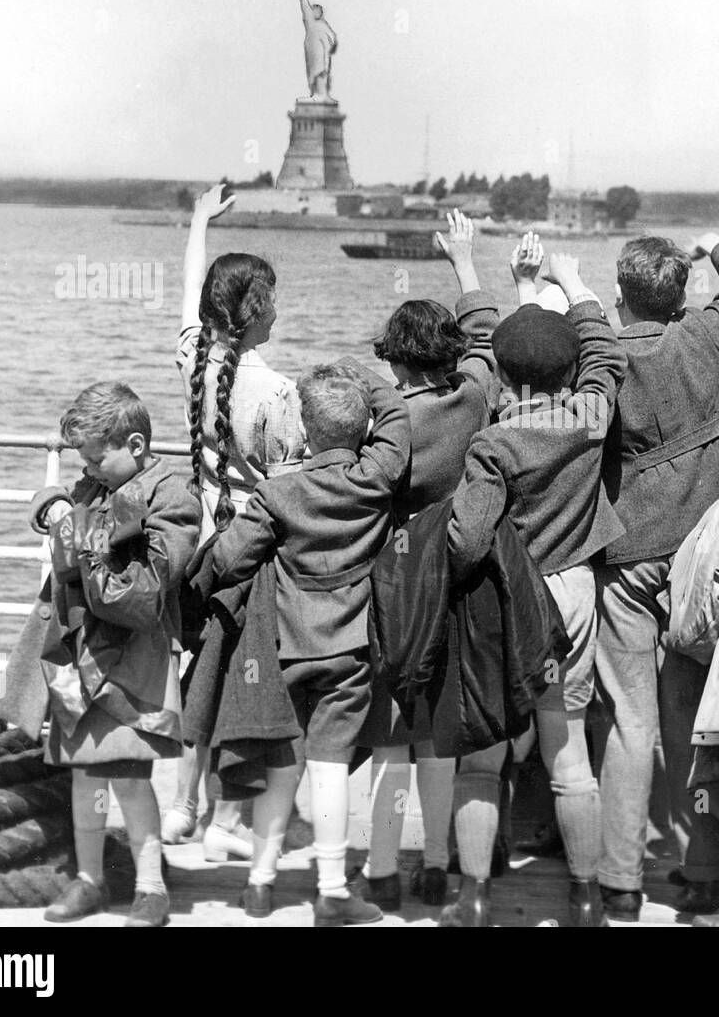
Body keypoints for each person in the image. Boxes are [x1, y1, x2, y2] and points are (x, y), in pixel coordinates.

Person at [443, 251, 627, 927]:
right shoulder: (591, 417)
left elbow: (465, 542)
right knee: (568, 753)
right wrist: (572, 284)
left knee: (482, 757)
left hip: (505, 602)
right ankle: (585, 900)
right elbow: (607, 355)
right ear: (567, 371)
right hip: (574, 595)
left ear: (505, 376)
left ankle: (473, 900)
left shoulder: (495, 444)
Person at [595, 231, 719, 920]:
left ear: (619, 296)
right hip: (708, 551)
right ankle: (705, 873)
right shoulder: (702, 336)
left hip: (630, 549)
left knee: (629, 720)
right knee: (704, 714)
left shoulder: (601, 356)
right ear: (682, 294)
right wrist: (714, 245)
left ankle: (619, 881)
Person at [204, 359, 411, 926]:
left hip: (283, 650)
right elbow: (397, 423)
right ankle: (331, 891)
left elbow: (226, 560)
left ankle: (260, 884)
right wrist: (364, 376)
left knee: (283, 767)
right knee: (329, 768)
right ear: (362, 429)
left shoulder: (278, 494)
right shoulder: (374, 480)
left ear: (304, 428)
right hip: (349, 652)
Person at [359, 209, 507, 910]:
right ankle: (440, 863)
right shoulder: (476, 396)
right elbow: (484, 334)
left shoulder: (389, 427)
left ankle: (382, 870)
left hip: (393, 586)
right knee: (441, 735)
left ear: (393, 361)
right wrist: (466, 262)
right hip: (456, 582)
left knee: (392, 732)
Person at [162, 184, 307, 863]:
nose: (279, 311)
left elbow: (189, 290)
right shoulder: (276, 393)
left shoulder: (193, 361)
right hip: (249, 555)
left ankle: (183, 804)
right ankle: (229, 817)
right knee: (243, 680)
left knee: (198, 673)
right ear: (252, 314)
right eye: (272, 300)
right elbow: (291, 480)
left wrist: (198, 220)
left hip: (198, 547)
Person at [34, 383, 201, 927]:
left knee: (130, 772)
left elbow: (146, 591)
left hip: (136, 657)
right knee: (85, 773)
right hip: (78, 654)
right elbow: (67, 522)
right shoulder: (94, 483)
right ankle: (89, 880)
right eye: (82, 462)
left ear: (134, 443)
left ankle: (151, 888)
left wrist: (76, 534)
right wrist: (55, 506)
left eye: (95, 459)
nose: (89, 471)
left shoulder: (172, 495)